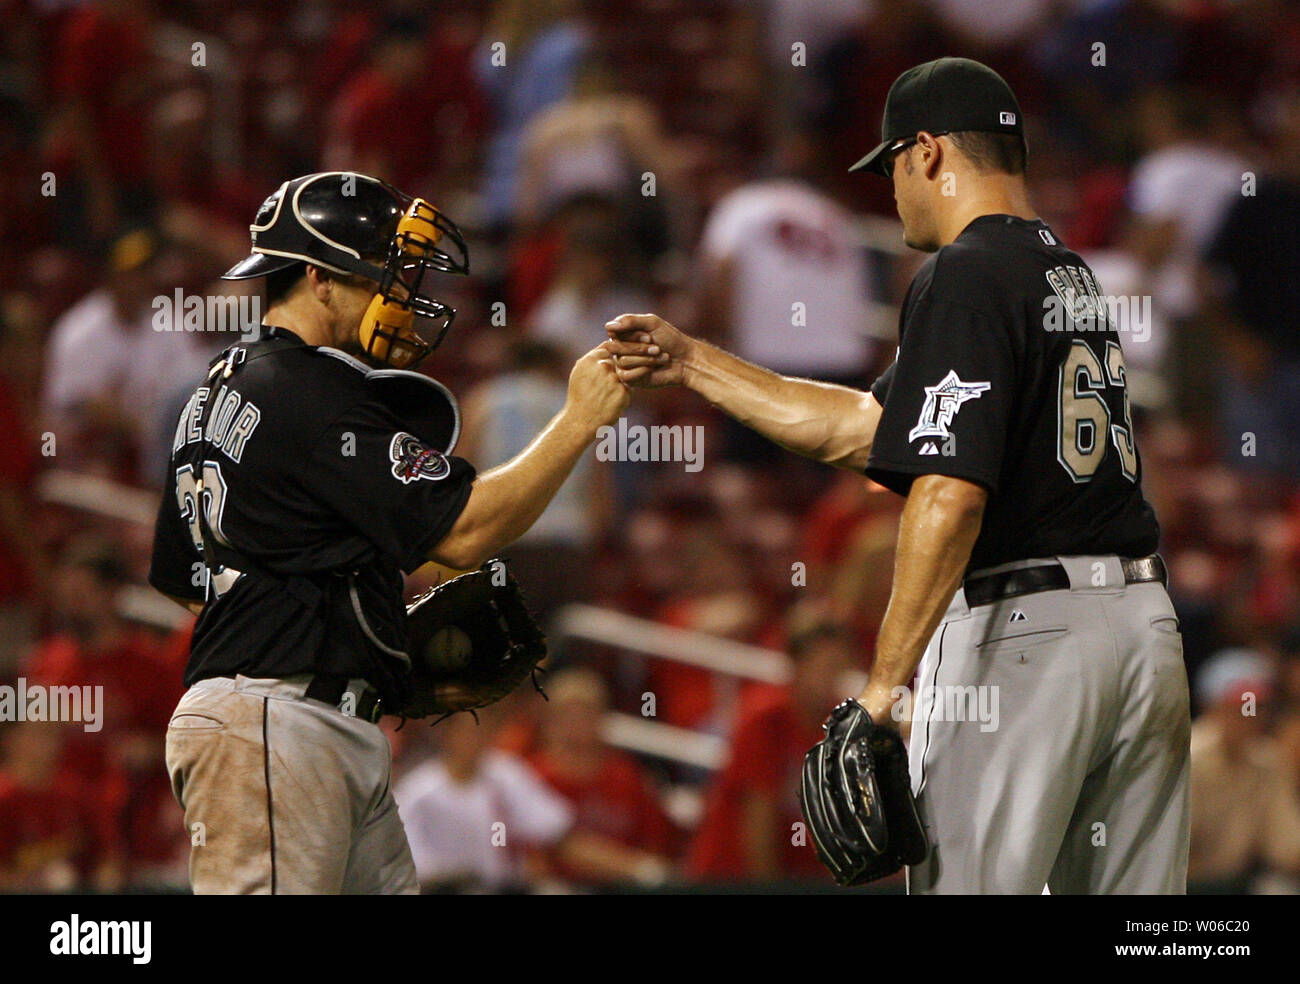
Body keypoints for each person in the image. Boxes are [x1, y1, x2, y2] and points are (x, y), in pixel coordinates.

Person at [606, 57, 1189, 894]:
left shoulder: (963, 272)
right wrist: (696, 362)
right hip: (1140, 626)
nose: (892, 190)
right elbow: (868, 430)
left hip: (1027, 635)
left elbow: (949, 490)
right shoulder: (1068, 274)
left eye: (890, 167)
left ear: (928, 153)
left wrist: (882, 687)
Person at [149, 171, 629, 894]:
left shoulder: (216, 391)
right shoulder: (311, 394)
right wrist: (580, 420)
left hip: (298, 719)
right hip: (278, 727)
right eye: (378, 271)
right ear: (316, 276)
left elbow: (193, 589)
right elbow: (466, 533)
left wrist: (354, 636)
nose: (396, 293)